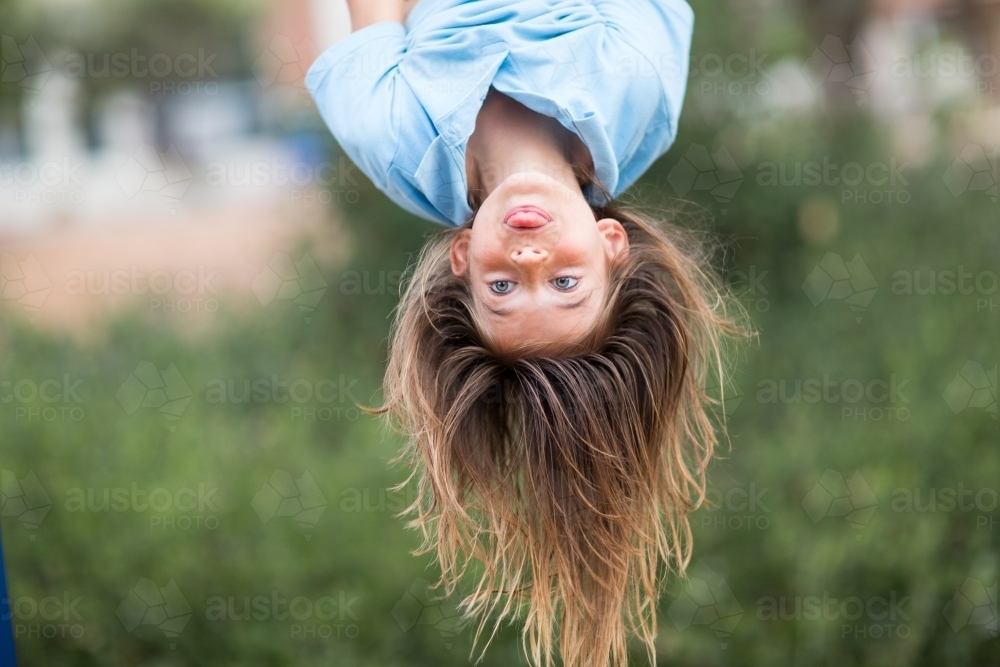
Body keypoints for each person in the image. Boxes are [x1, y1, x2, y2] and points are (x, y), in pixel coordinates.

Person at [306, 2, 743, 666]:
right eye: (567, 283)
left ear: (462, 260)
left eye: (502, 289)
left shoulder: (398, 143)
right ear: (610, 244)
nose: (530, 260)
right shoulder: (637, 92)